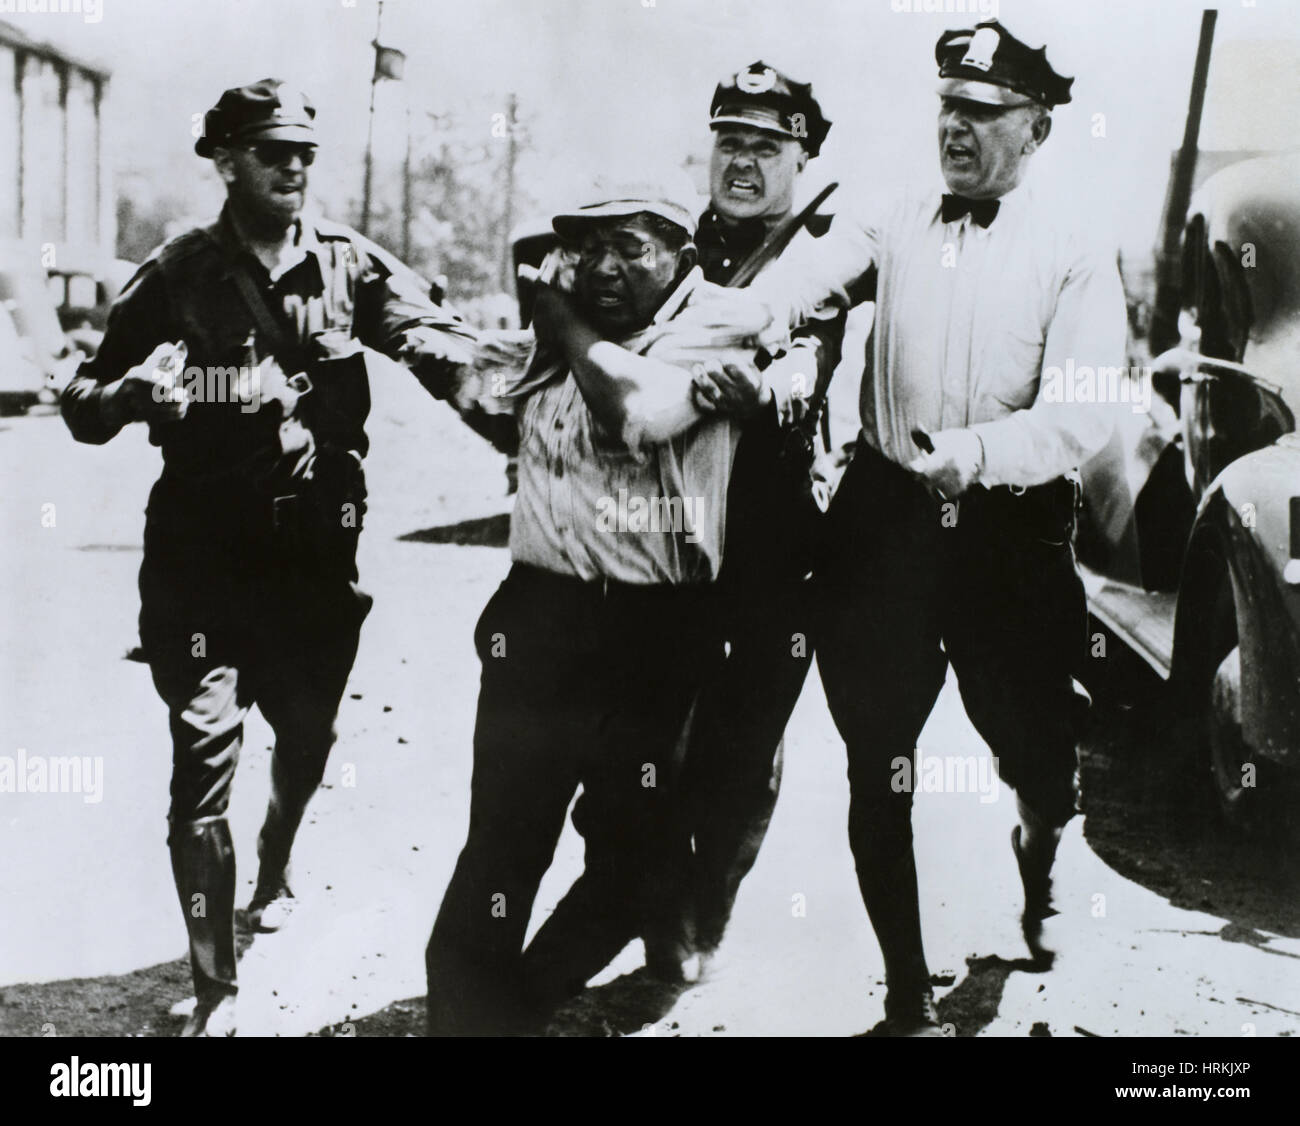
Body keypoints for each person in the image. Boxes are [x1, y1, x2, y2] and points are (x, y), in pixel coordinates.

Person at [61, 78, 476, 1036]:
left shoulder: (347, 265)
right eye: (270, 152)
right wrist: (133, 395)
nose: (293, 167)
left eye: (303, 153)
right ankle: (215, 988)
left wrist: (491, 376)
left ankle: (278, 861)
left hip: (316, 561)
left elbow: (434, 339)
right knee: (201, 756)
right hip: (201, 558)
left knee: (309, 739)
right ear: (225, 160)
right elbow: (82, 396)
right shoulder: (178, 270)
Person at [747, 20, 1127, 1034]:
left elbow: (1087, 409)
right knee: (879, 760)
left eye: (983, 112)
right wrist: (758, 327)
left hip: (1010, 531)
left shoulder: (1077, 249)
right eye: (947, 107)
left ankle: (1037, 846)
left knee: (1034, 745)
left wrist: (980, 453)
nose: (955, 128)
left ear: (1036, 127)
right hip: (884, 521)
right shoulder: (893, 213)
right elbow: (802, 280)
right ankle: (906, 983)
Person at [424, 174, 772, 1036]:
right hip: (540, 621)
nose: (604, 266)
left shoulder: (721, 327)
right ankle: (472, 1022)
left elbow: (628, 410)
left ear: (683, 256)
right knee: (502, 847)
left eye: (631, 245)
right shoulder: (548, 342)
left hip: (655, 636)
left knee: (635, 864)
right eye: (586, 247)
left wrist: (555, 314)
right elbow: (478, 387)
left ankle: (512, 1007)